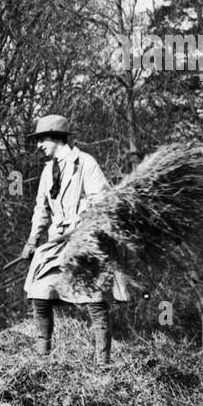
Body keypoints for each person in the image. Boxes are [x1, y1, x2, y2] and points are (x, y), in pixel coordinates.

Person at [19, 114, 129, 365]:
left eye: (42, 139)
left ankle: (103, 363)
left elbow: (102, 200)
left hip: (85, 240)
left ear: (56, 137)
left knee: (93, 298)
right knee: (40, 292)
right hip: (56, 242)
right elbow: (41, 210)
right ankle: (42, 361)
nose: (39, 145)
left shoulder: (86, 163)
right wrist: (31, 242)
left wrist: (80, 222)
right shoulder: (48, 171)